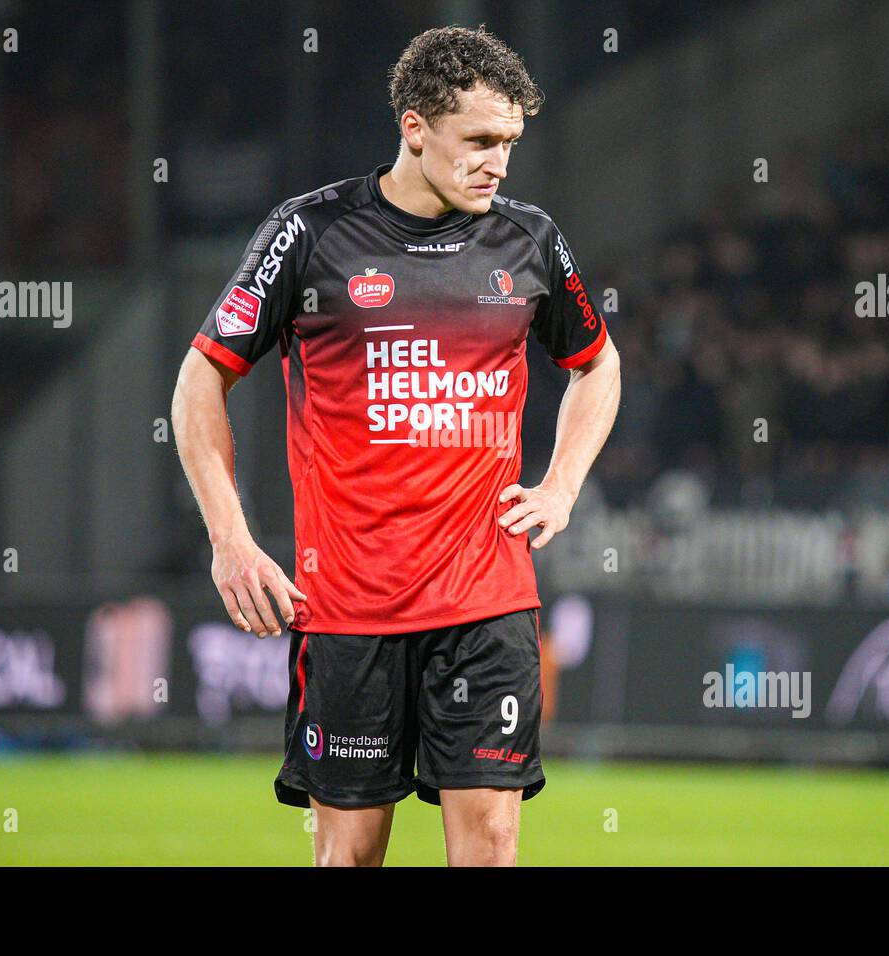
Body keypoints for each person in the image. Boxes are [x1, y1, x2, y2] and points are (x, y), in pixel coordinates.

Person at [171, 25, 620, 866]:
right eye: (479, 141)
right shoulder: (308, 234)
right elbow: (201, 380)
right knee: (350, 857)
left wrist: (560, 486)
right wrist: (230, 541)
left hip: (487, 602)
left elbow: (598, 365)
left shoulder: (528, 240)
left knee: (489, 848)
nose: (499, 163)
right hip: (348, 609)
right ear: (414, 128)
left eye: (511, 143)